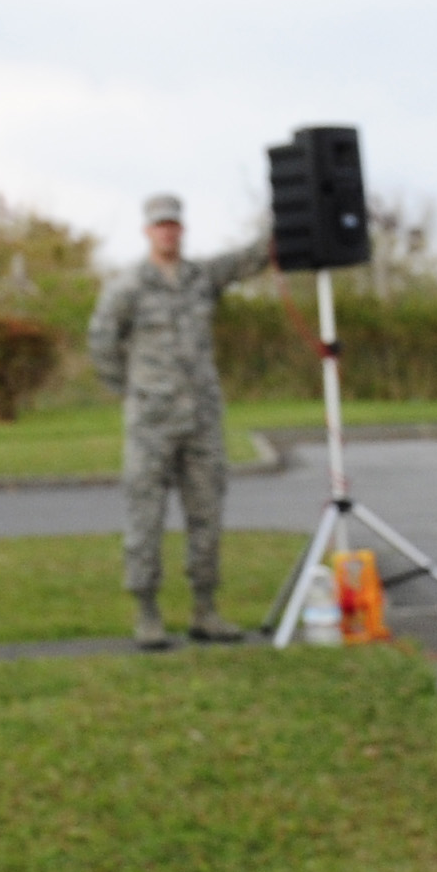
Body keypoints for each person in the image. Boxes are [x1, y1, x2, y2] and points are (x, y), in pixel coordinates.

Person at [88, 189, 271, 647]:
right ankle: (147, 613)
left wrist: (279, 212)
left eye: (174, 224)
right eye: (160, 224)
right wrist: (132, 391)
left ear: (181, 229)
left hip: (202, 420)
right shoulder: (129, 285)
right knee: (145, 516)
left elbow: (252, 258)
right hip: (152, 423)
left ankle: (206, 610)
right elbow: (101, 340)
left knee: (207, 513)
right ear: (148, 230)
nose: (168, 231)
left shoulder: (200, 278)